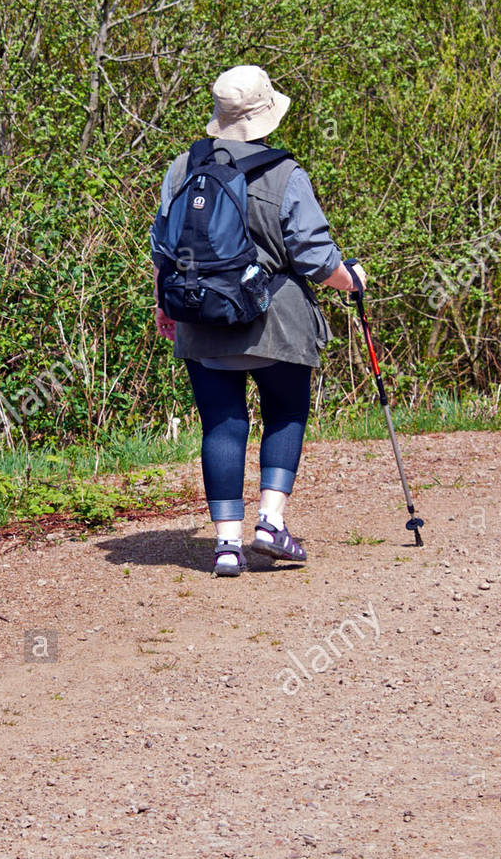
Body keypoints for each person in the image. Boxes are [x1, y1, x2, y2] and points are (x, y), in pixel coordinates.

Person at [150, 64, 366, 576]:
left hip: (199, 314)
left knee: (222, 424)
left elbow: (163, 247)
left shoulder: (183, 168)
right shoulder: (286, 174)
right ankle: (270, 523)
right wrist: (353, 279)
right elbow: (315, 259)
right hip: (276, 320)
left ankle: (226, 545)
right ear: (266, 115)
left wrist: (163, 303)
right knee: (286, 412)